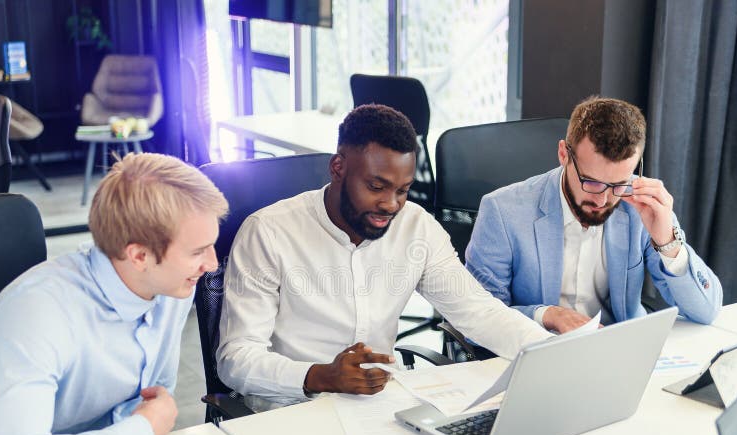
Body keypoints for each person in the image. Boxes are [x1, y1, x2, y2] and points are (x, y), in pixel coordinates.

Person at [217, 104, 552, 412]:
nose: (391, 204)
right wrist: (321, 375)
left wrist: (554, 353)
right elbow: (236, 359)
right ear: (338, 168)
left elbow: (479, 311)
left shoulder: (416, 226)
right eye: (376, 186)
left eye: (402, 190)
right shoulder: (268, 232)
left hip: (376, 409)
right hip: (290, 411)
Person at [0, 153, 228, 435]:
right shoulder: (37, 311)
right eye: (198, 251)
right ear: (139, 256)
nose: (211, 264)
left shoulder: (170, 288)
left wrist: (140, 430)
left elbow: (150, 402)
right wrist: (140, 432)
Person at [466, 96, 722, 334]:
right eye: (592, 182)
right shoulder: (502, 212)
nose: (602, 200)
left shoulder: (642, 206)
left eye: (618, 184)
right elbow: (477, 319)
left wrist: (668, 243)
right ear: (563, 154)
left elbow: (706, 311)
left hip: (621, 353)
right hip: (537, 351)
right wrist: (547, 315)